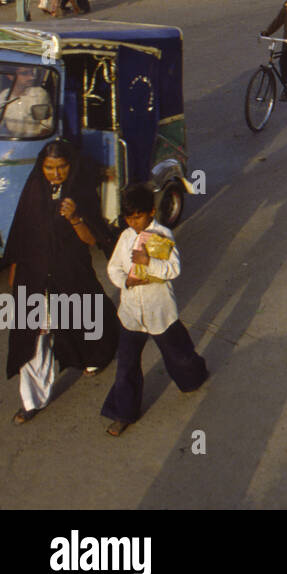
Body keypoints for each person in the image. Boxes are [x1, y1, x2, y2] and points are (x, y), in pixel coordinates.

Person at [4, 140, 120, 424]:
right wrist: (14, 274)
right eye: (49, 167)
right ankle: (32, 400)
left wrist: (76, 218)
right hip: (34, 276)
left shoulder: (81, 193)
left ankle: (95, 357)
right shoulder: (33, 191)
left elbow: (94, 239)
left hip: (70, 273)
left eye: (61, 167)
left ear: (71, 166)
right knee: (31, 337)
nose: (55, 173)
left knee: (81, 321)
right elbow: (20, 234)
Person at [99, 183, 208, 436]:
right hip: (131, 315)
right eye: (128, 217)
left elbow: (174, 270)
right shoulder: (125, 237)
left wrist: (149, 262)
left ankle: (193, 377)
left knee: (179, 355)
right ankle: (123, 413)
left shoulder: (162, 236)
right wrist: (126, 281)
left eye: (137, 216)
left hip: (160, 311)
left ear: (150, 212)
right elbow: (113, 268)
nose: (133, 222)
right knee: (126, 365)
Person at [0, 65, 55, 137]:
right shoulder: (3, 97)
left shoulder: (39, 94)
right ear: (11, 76)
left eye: (32, 73)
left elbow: (47, 123)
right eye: (24, 73)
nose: (31, 77)